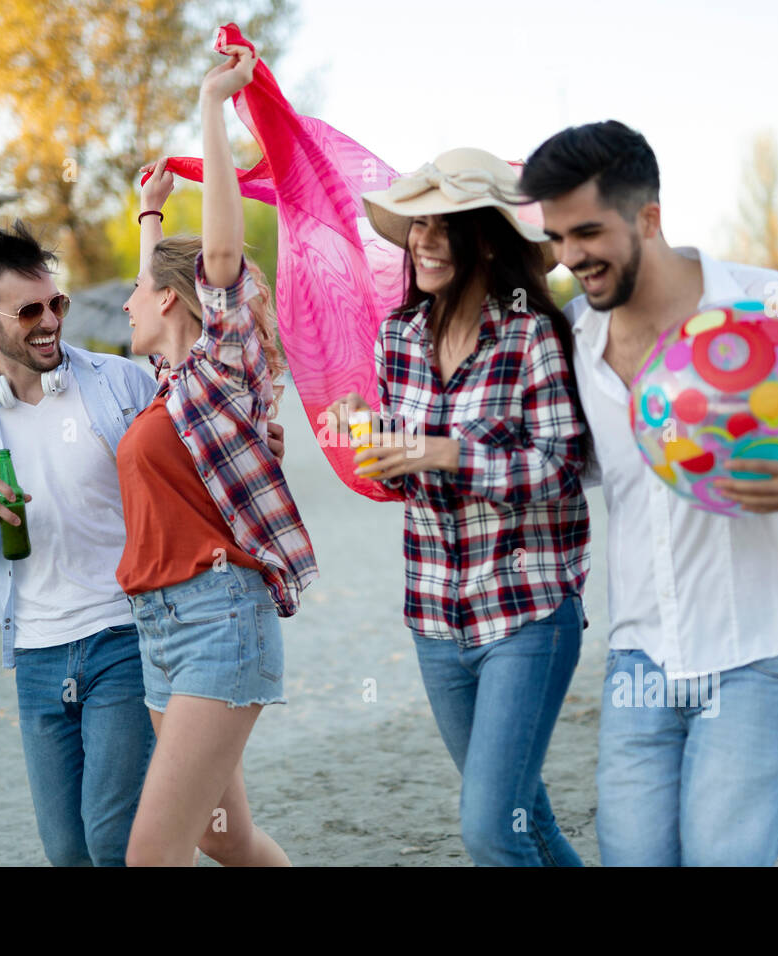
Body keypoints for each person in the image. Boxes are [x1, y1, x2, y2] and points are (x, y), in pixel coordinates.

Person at [520, 120, 778, 866]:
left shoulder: (770, 305)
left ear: (649, 217)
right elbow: (566, 463)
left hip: (762, 652)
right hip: (639, 656)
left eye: (587, 232)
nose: (572, 258)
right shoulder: (572, 338)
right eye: (557, 239)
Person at [325, 147, 592, 866]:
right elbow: (399, 477)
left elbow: (561, 466)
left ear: (486, 237)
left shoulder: (533, 334)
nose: (424, 240)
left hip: (528, 613)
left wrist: (441, 450)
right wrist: (371, 432)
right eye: (417, 224)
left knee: (487, 828)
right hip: (435, 619)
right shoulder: (397, 338)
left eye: (445, 225)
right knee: (524, 818)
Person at [119, 45, 316, 867]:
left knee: (150, 854)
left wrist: (211, 106)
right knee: (221, 836)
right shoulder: (172, 387)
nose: (125, 302)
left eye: (141, 290)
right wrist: (150, 218)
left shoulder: (223, 367)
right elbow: (157, 305)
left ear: (171, 298)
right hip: (159, 625)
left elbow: (222, 255)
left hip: (218, 616)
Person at [0, 221, 164, 867]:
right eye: (28, 310)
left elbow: (189, 462)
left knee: (110, 838)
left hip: (124, 634)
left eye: (56, 304)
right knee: (65, 849)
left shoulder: (120, 382)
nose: (49, 321)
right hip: (33, 652)